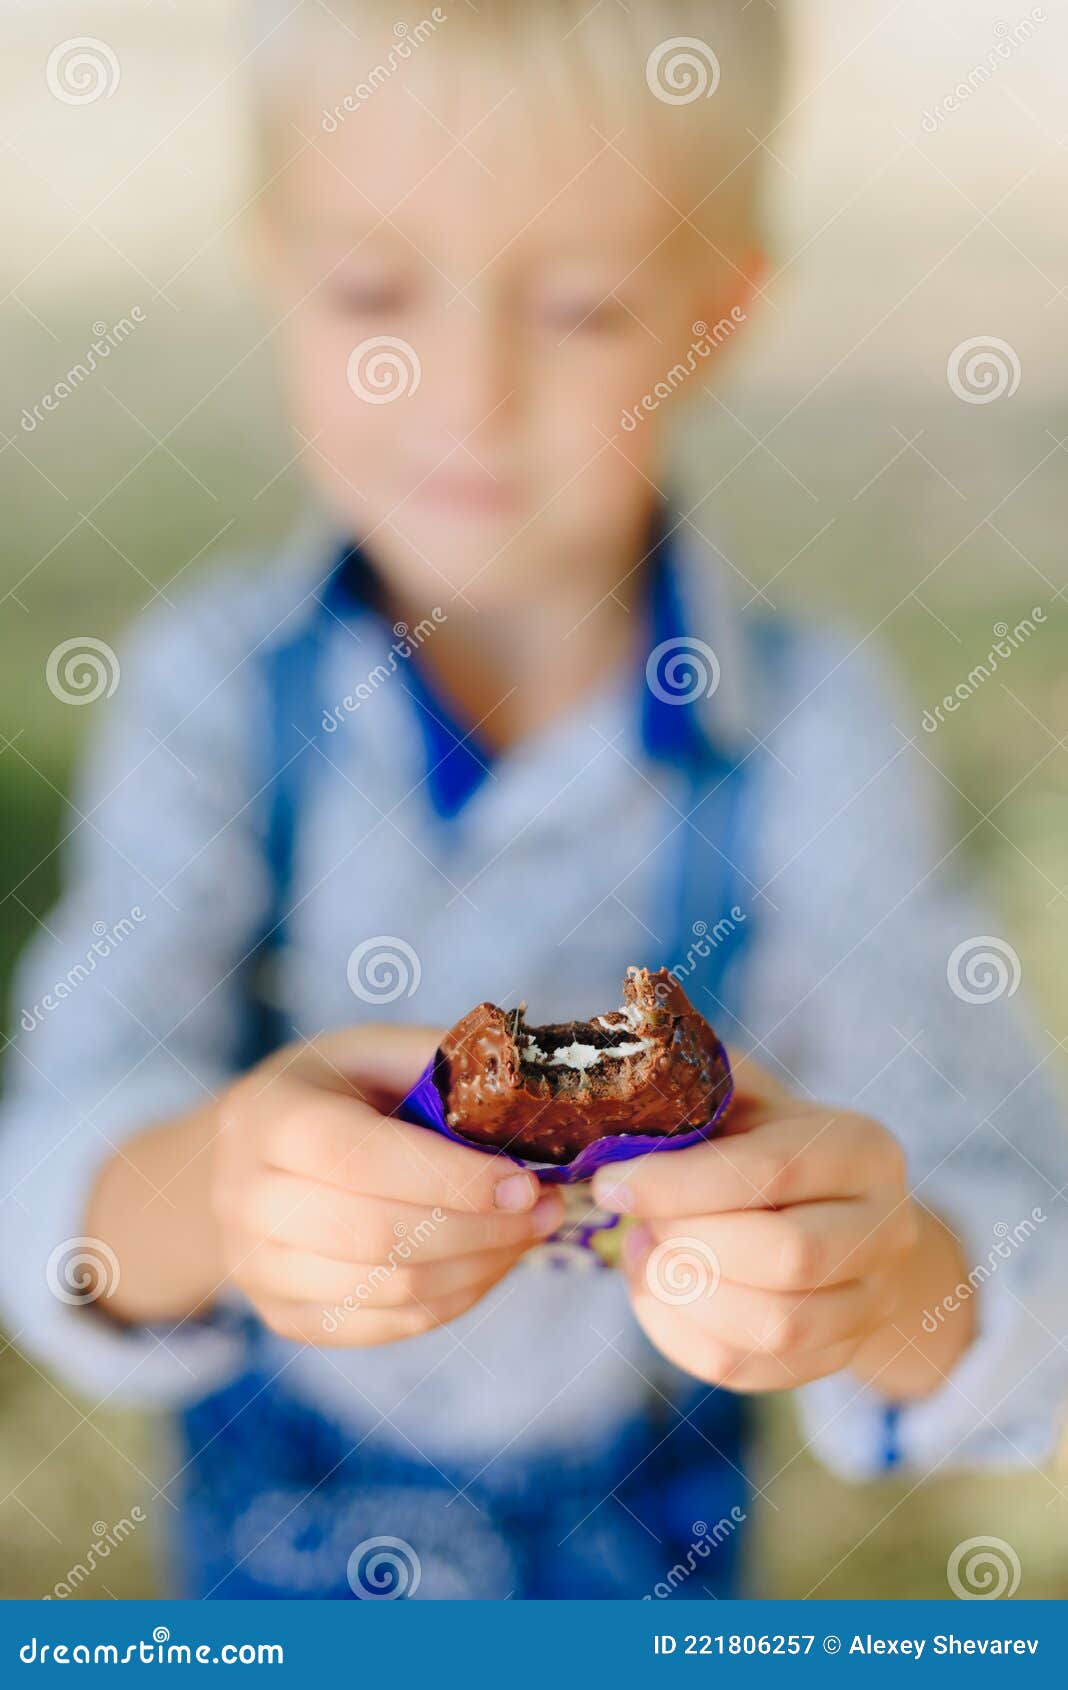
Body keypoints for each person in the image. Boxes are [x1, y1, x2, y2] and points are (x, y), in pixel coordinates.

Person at [1, 0, 1065, 1601]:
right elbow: (53, 1202)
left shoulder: (814, 732)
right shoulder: (215, 688)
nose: (469, 389)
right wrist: (223, 1181)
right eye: (374, 289)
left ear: (717, 315)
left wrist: (885, 1277)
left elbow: (1023, 1246)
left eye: (579, 307)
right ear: (275, 266)